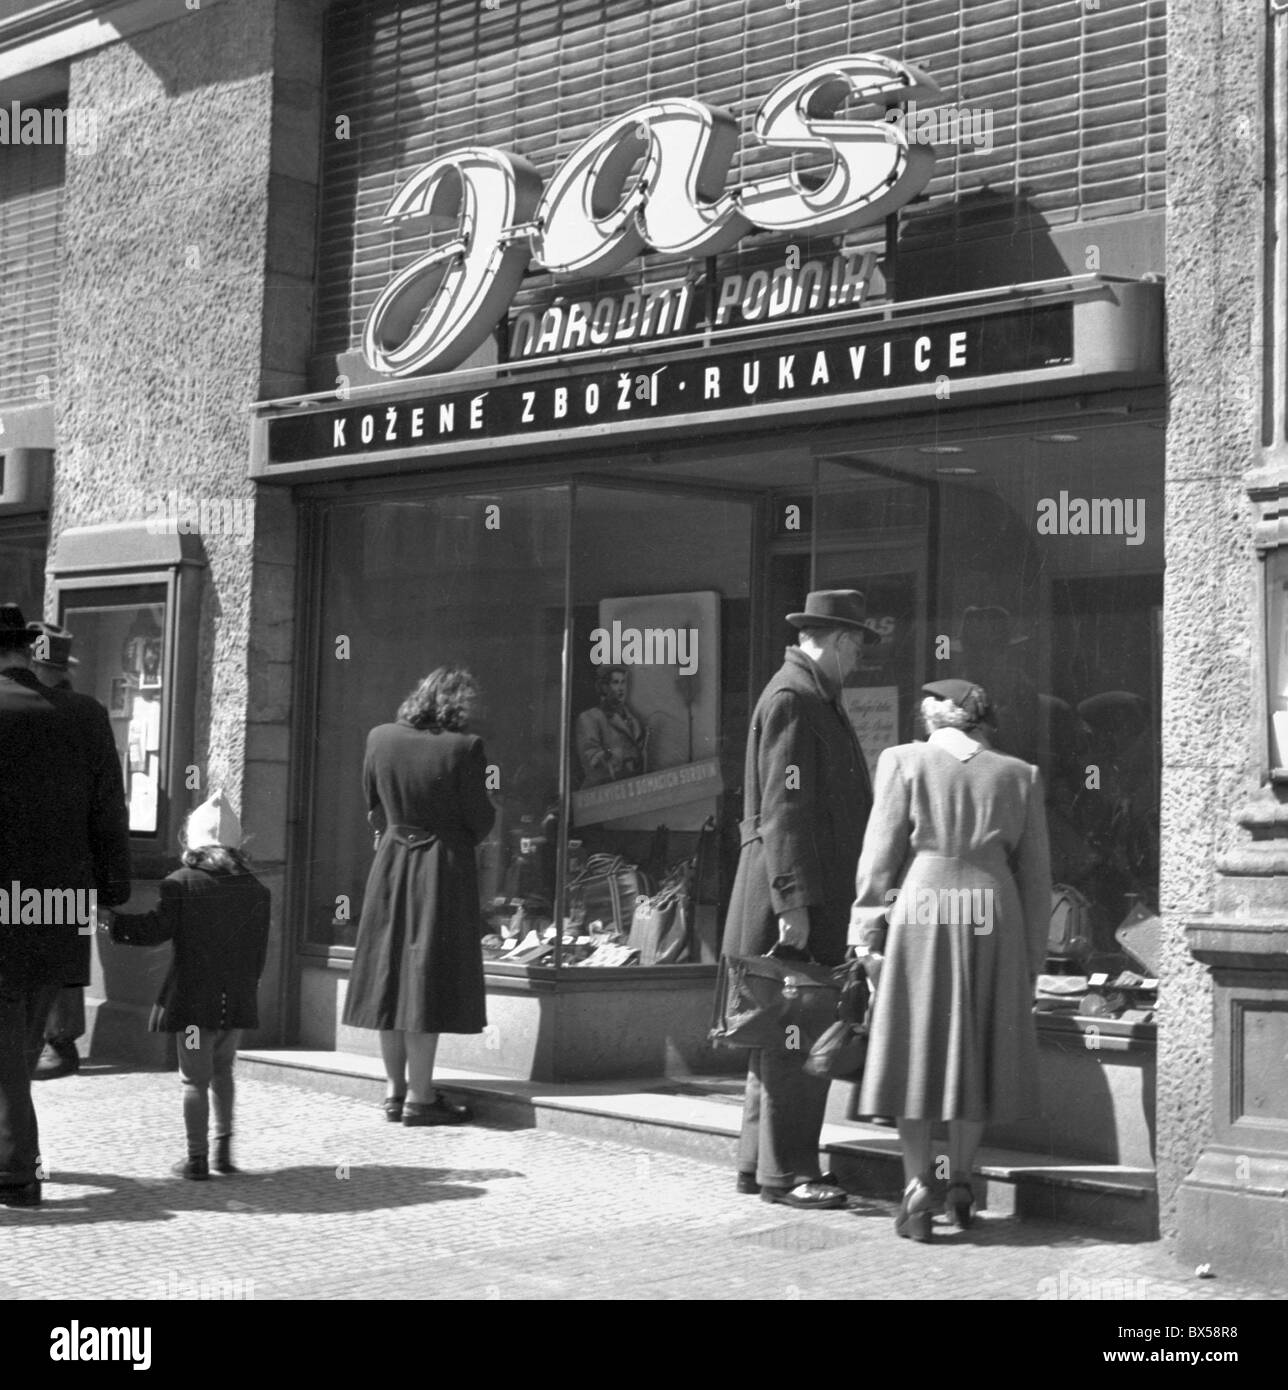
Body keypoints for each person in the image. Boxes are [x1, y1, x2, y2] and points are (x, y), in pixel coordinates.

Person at [850, 679, 1051, 1241]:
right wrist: (1031, 961)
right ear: (979, 720)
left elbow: (879, 855)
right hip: (994, 911)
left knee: (914, 1049)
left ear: (936, 718)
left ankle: (916, 1188)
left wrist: (866, 934)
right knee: (979, 1048)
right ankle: (960, 1181)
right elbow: (1037, 882)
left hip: (923, 909)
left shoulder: (902, 761)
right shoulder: (1020, 774)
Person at [723, 590, 878, 1209]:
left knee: (776, 1031)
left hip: (794, 892)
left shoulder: (807, 693)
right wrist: (793, 903)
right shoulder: (796, 697)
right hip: (795, 896)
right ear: (840, 641)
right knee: (797, 1034)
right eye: (859, 647)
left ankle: (758, 1167)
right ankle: (789, 1174)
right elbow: (782, 811)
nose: (859, 661)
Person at [0, 603, 131, 1208]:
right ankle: (14, 1158)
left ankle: (15, 1167)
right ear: (27, 650)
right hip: (57, 901)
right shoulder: (84, 714)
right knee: (21, 1033)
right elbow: (109, 810)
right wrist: (111, 891)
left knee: (10, 1041)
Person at [343, 665, 496, 1126]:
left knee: (389, 975)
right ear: (457, 704)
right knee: (424, 978)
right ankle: (422, 1097)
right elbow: (480, 820)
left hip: (391, 863)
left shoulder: (379, 738)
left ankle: (394, 1093)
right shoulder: (465, 748)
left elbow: (371, 804)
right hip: (441, 868)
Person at [103, 792, 270, 1180]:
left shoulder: (180, 883)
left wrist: (112, 923)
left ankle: (195, 1160)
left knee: (193, 1079)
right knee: (223, 1073)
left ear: (192, 840)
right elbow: (258, 955)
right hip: (237, 1003)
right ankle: (222, 1153)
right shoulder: (257, 890)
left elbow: (155, 929)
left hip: (194, 1007)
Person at [26, 621, 89, 1081]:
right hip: (58, 856)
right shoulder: (73, 710)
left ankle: (60, 1043)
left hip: (59, 855)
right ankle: (48, 1040)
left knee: (58, 949)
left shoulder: (68, 713)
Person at [574, 665, 647, 786]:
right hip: (602, 792)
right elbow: (592, 759)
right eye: (615, 682)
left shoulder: (634, 722)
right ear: (604, 687)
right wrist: (620, 756)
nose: (621, 688)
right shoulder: (589, 718)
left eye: (623, 682)